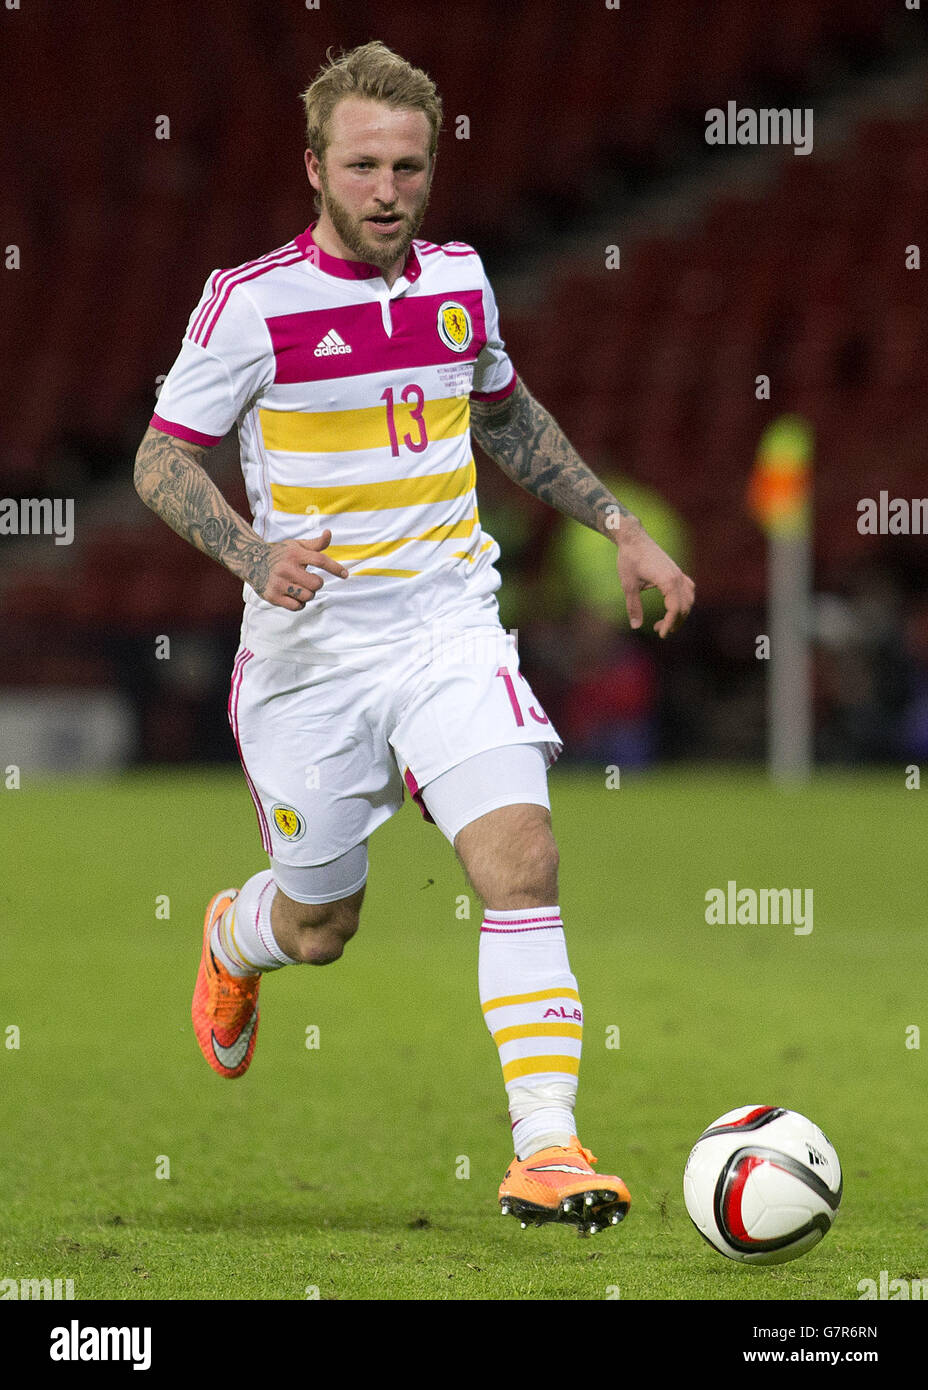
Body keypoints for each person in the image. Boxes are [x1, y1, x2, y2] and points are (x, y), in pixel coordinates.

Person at [133, 40, 694, 1236]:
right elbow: (158, 455)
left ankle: (546, 1148)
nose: (387, 191)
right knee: (321, 926)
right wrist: (251, 552)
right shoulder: (253, 302)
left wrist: (618, 524)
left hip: (448, 625)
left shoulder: (461, 281)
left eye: (409, 167)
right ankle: (238, 936)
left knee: (521, 859)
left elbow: (505, 413)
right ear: (315, 168)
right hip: (311, 658)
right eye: (362, 167)